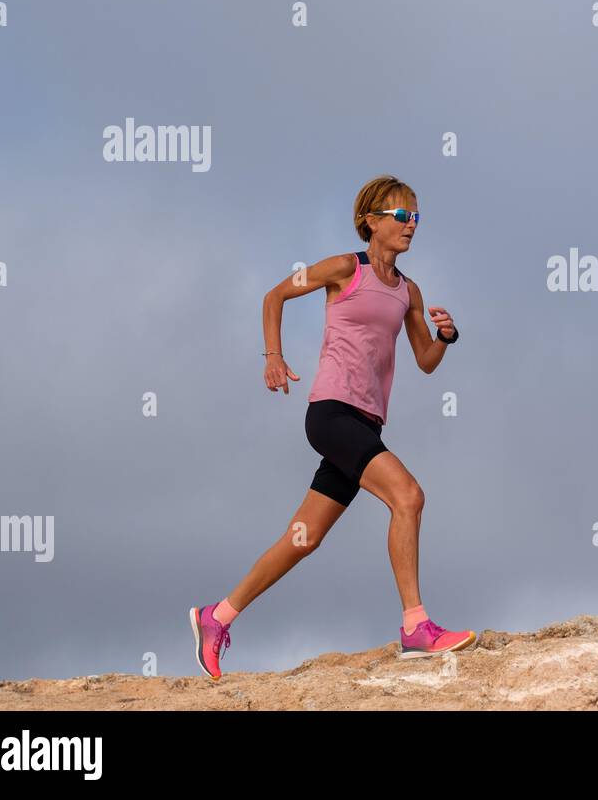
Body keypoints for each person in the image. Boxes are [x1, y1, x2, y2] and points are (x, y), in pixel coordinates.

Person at [189, 175, 475, 679]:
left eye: (416, 217)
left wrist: (447, 337)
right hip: (331, 413)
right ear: (371, 221)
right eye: (401, 216)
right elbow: (274, 296)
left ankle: (217, 617)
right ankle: (416, 627)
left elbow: (425, 360)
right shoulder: (345, 268)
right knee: (408, 496)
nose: (411, 226)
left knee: (303, 537)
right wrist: (273, 356)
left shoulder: (409, 291)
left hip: (367, 421)